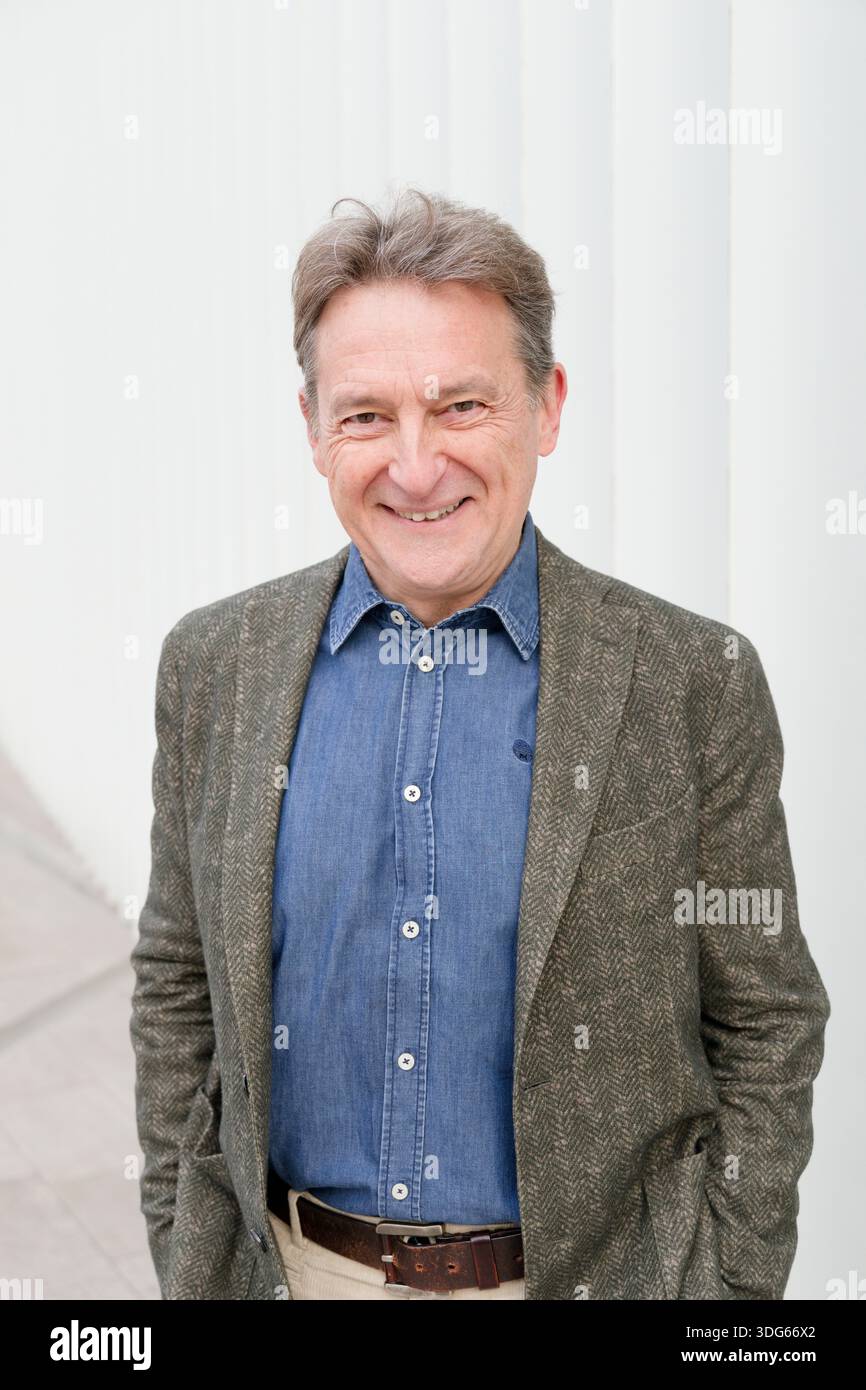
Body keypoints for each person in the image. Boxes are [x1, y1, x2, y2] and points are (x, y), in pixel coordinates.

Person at [129, 187, 830, 1300]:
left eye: (460, 404)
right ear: (312, 428)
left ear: (545, 408)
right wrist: (186, 1241)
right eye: (365, 415)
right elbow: (176, 981)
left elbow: (763, 1013)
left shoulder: (694, 680)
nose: (414, 467)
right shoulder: (214, 666)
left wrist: (728, 1282)